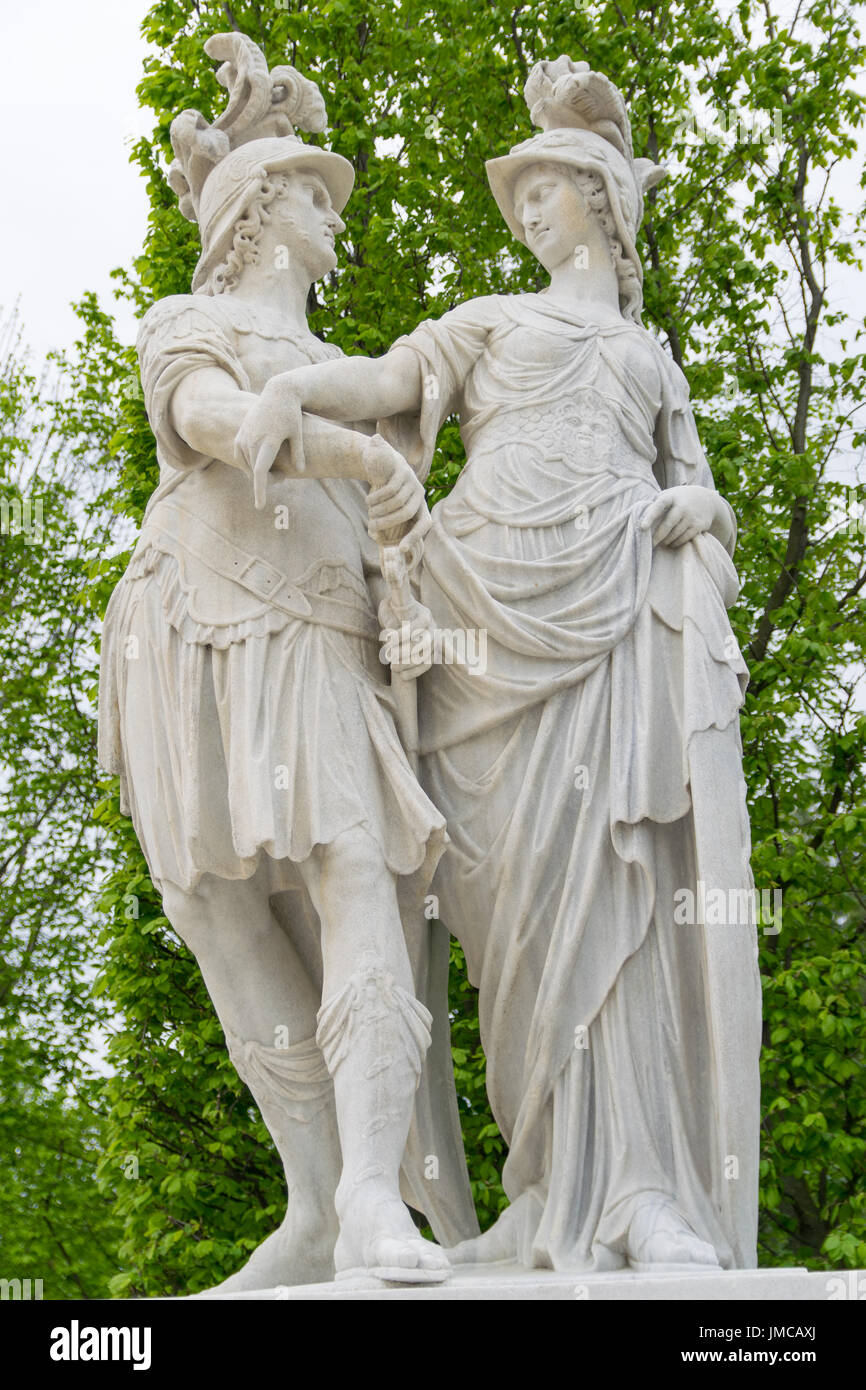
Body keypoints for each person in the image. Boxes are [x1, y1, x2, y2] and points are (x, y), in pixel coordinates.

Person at [236, 57, 763, 1275]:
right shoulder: (491, 320)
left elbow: (700, 498)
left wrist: (703, 522)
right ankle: (546, 1185)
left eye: (548, 188)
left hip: (619, 616)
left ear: (602, 203)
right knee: (521, 915)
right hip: (481, 625)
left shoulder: (652, 359)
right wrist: (288, 388)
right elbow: (382, 383)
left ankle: (636, 1195)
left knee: (622, 896)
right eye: (518, 193)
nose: (526, 208)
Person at [98, 32, 476, 1292]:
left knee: (354, 868)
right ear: (258, 210)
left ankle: (376, 1196)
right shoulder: (184, 323)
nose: (332, 216)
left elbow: (403, 529)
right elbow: (211, 428)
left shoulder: (362, 368)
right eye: (315, 194)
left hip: (320, 633)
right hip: (191, 624)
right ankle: (313, 1194)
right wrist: (358, 459)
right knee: (214, 909)